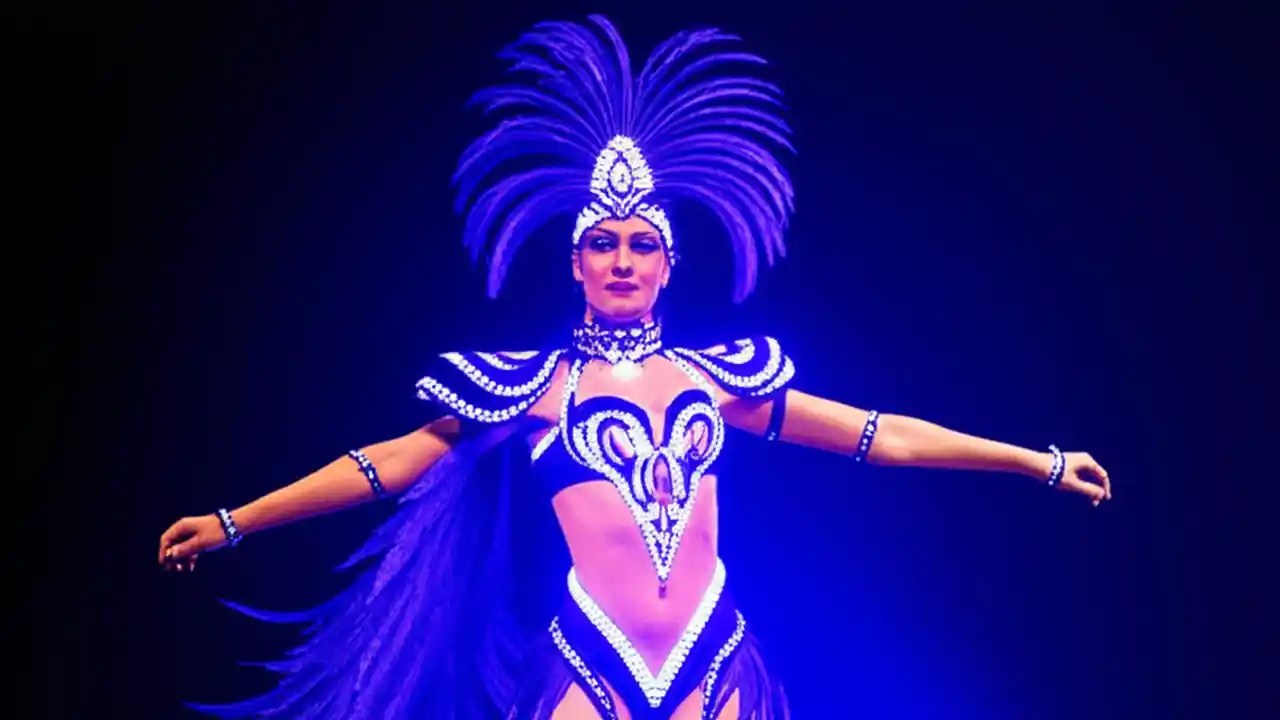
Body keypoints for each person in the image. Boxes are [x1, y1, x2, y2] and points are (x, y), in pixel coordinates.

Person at [157, 15, 1112, 720]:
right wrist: (238, 521)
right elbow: (387, 463)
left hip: (715, 657)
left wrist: (1036, 459)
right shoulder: (532, 389)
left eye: (641, 245)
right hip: (586, 663)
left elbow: (879, 437)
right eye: (603, 243)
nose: (622, 261)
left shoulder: (719, 378)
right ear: (575, 261)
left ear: (668, 263)